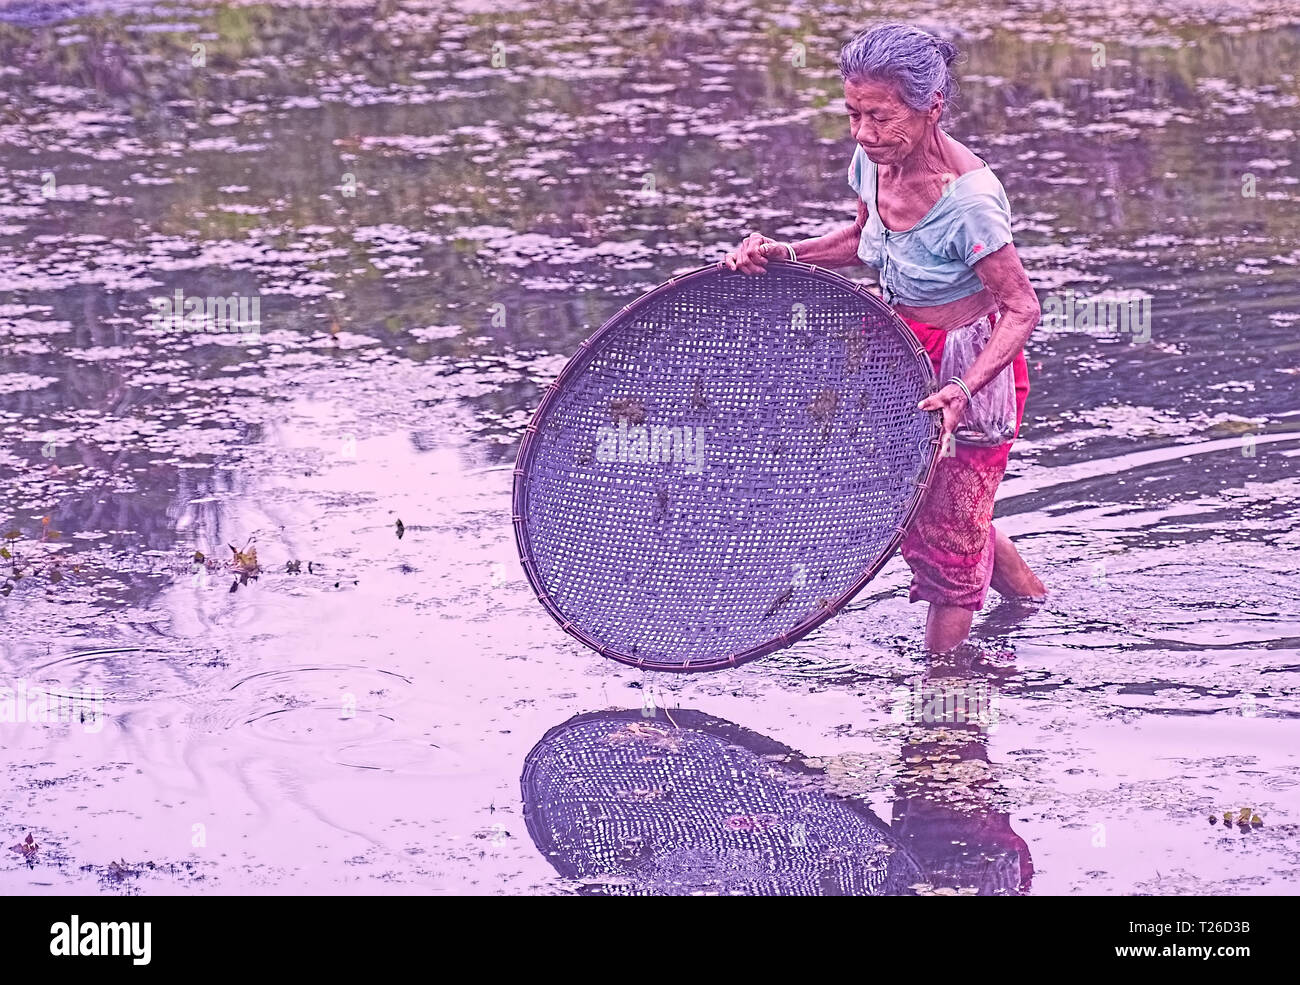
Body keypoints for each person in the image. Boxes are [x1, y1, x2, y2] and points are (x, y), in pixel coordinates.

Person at [724, 22, 1046, 651]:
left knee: (948, 544)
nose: (864, 133)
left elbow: (1020, 307)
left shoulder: (970, 203)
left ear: (932, 107)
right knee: (909, 505)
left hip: (967, 365)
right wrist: (785, 252)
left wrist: (963, 388)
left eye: (880, 116)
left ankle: (943, 705)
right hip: (897, 353)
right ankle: (1031, 602)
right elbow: (861, 241)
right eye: (854, 114)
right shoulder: (876, 162)